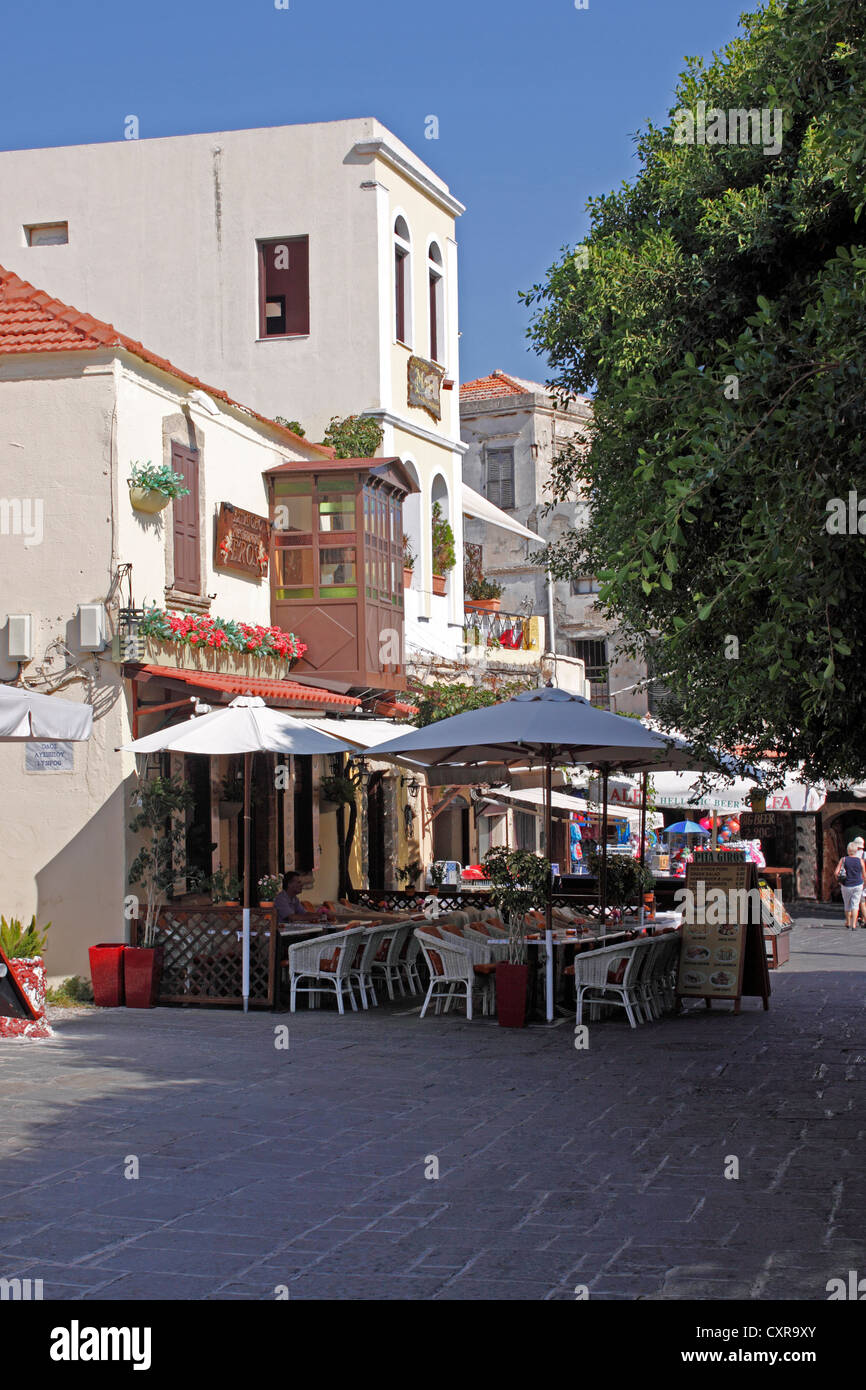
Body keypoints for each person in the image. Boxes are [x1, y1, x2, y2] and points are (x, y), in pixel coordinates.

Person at [834, 842, 864, 929]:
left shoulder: (843, 860)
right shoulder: (860, 861)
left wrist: (839, 881)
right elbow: (864, 874)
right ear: (856, 851)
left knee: (847, 904)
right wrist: (864, 883)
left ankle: (848, 922)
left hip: (846, 885)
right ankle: (854, 925)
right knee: (855, 904)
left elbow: (836, 873)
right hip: (858, 884)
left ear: (848, 850)